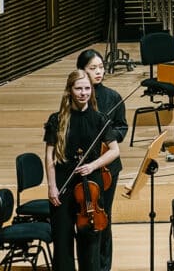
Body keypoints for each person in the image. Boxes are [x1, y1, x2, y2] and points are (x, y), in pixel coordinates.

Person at [43, 68, 125, 271]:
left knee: (90, 245)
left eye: (87, 88)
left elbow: (114, 151)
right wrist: (52, 187)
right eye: (79, 88)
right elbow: (49, 156)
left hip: (91, 186)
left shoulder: (100, 119)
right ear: (70, 90)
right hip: (63, 184)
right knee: (62, 244)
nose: (83, 93)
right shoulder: (57, 120)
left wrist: (93, 165)